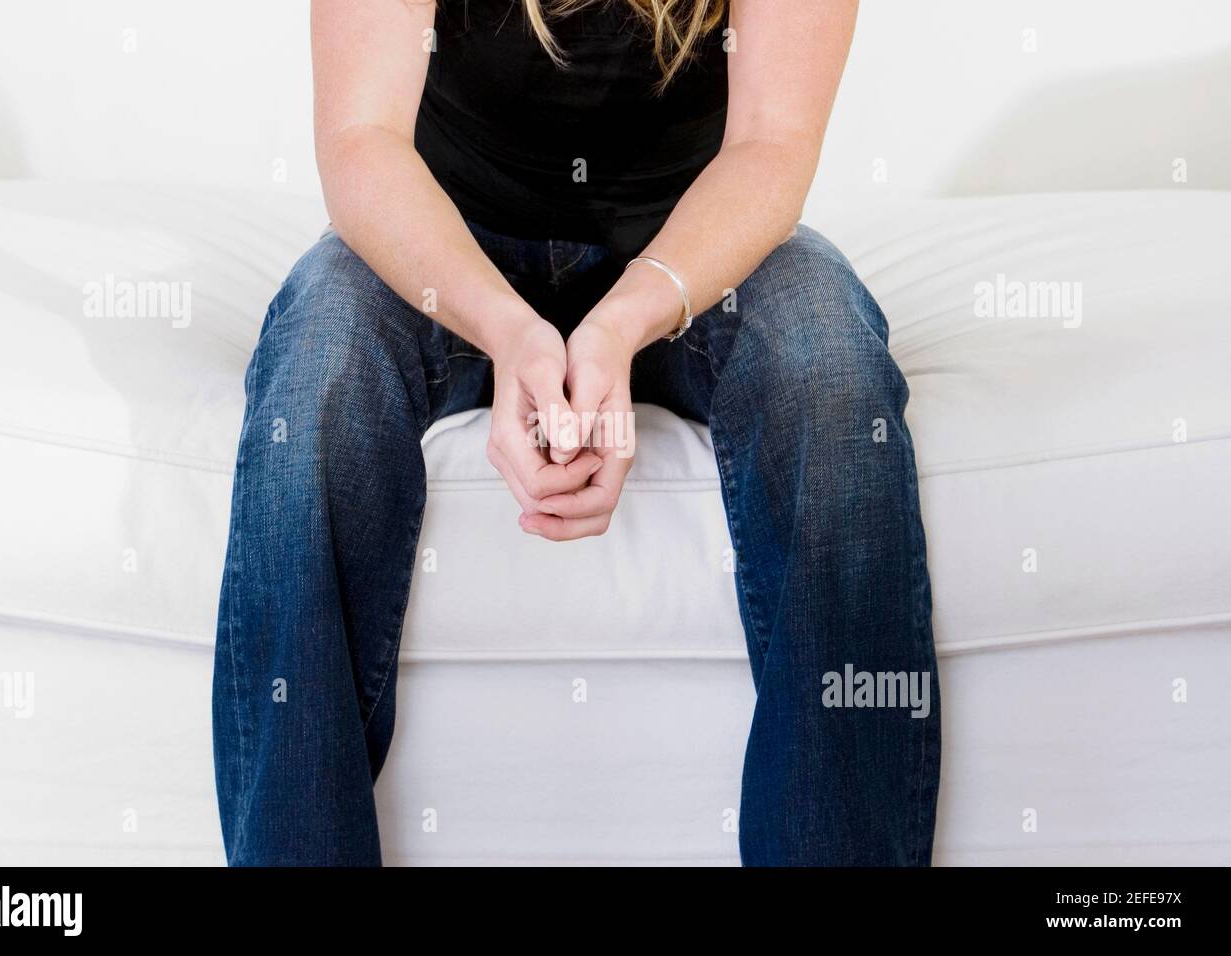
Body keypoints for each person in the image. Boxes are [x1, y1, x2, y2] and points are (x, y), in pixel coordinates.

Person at [212, 0, 941, 866]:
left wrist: (623, 323)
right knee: (316, 363)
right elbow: (362, 138)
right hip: (446, 248)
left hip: (691, 248)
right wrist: (510, 330)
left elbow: (771, 145)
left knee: (830, 371)